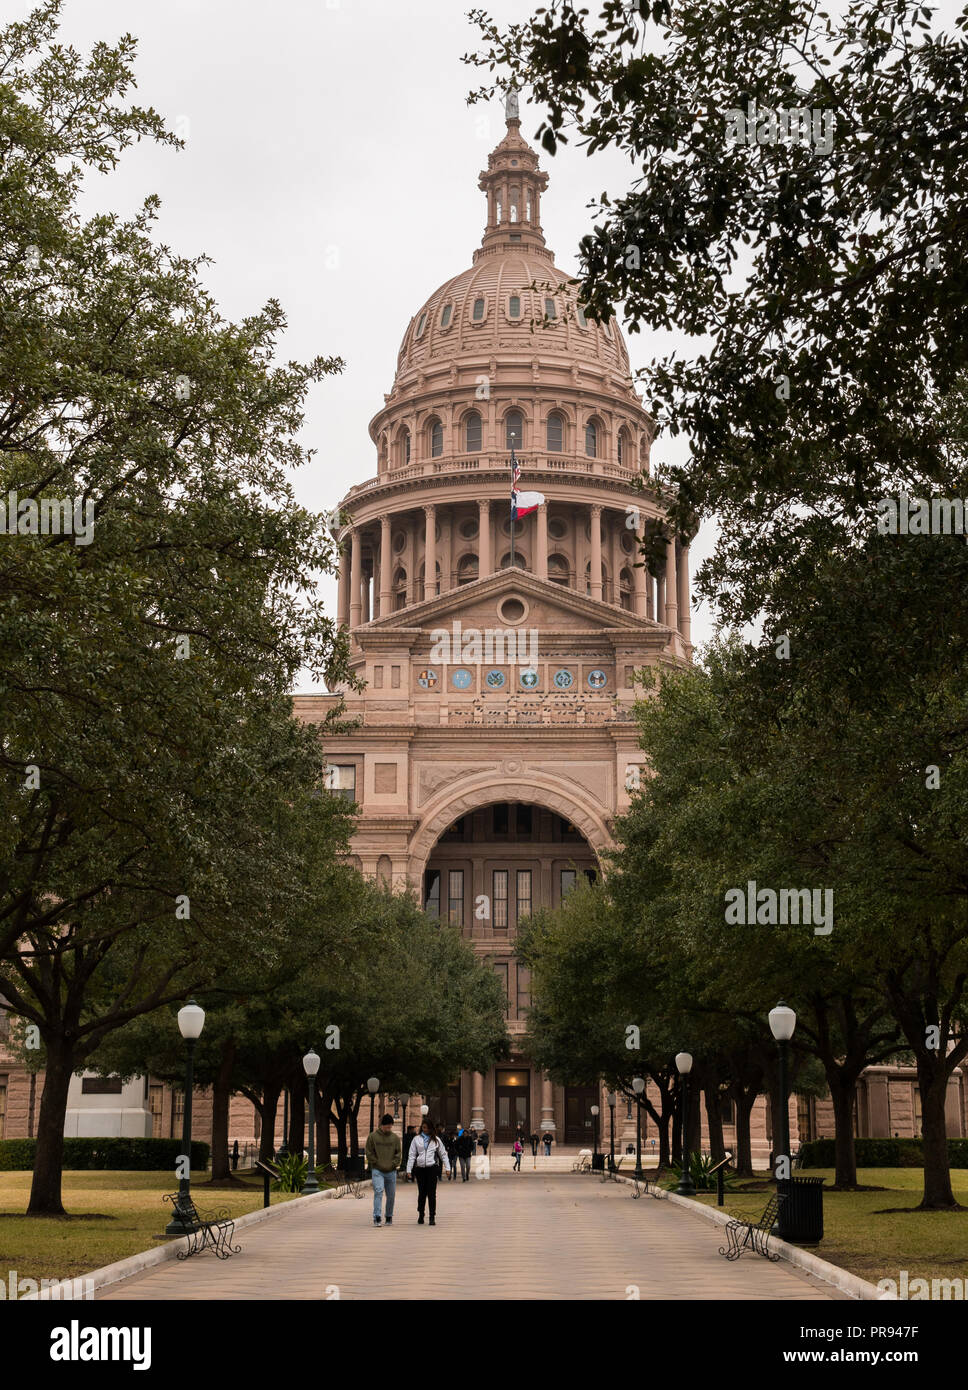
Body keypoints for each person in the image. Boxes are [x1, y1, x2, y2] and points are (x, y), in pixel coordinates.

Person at [406, 1117, 450, 1224]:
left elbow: (443, 1154)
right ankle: (421, 1214)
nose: (424, 1129)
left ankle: (432, 1216)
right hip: (420, 1169)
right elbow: (411, 1155)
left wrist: (447, 1168)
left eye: (426, 1128)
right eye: (423, 1127)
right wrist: (409, 1169)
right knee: (422, 1193)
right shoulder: (416, 1139)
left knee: (431, 1193)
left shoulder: (436, 1140)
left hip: (431, 1169)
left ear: (430, 1128)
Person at [365, 1113, 402, 1227]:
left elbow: (398, 1153)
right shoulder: (373, 1137)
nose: (388, 1129)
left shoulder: (395, 1138)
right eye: (387, 1126)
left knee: (391, 1195)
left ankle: (389, 1216)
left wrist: (394, 1164)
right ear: (382, 1125)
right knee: (378, 1191)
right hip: (377, 1170)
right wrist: (375, 1162)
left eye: (390, 1126)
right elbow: (369, 1151)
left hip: (391, 1171)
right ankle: (377, 1216)